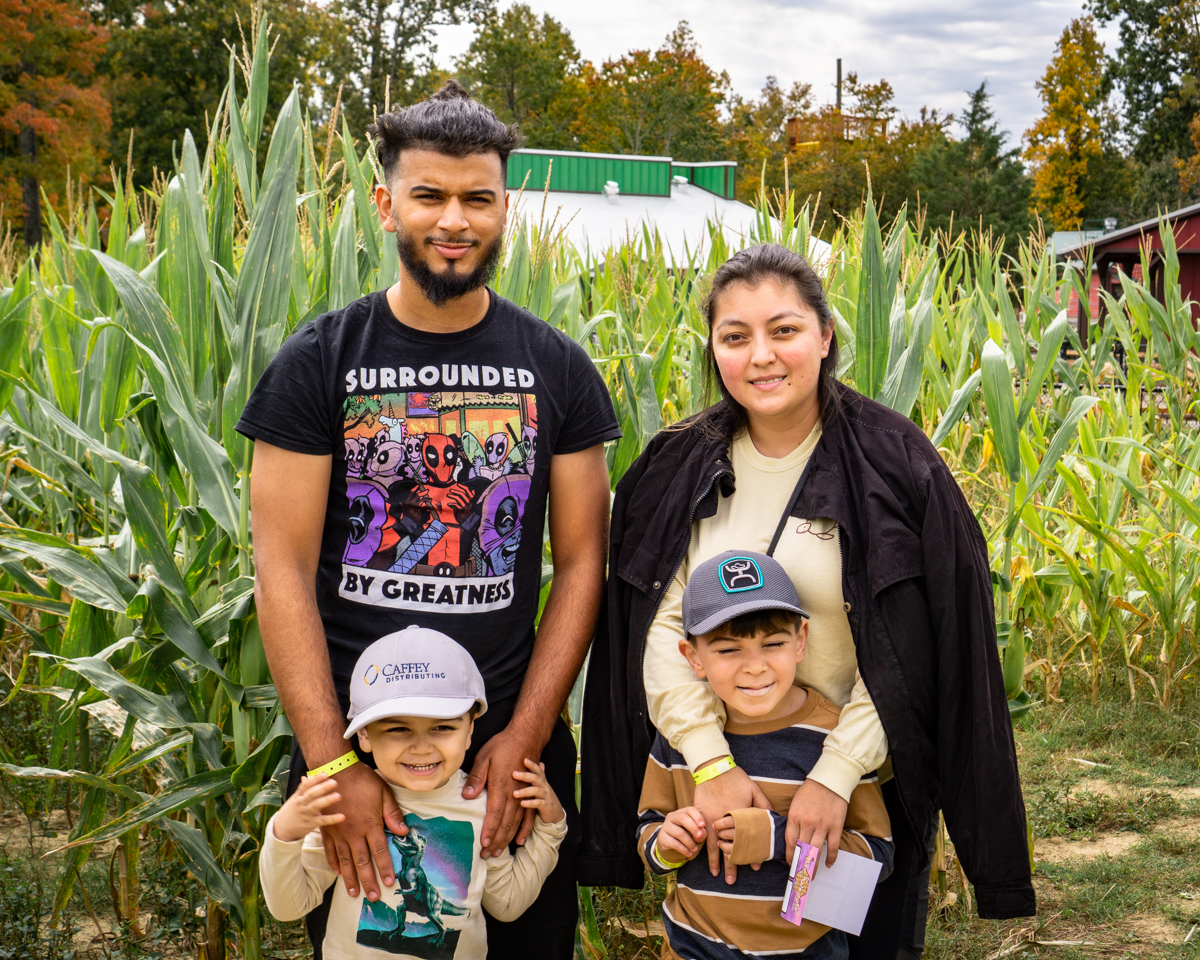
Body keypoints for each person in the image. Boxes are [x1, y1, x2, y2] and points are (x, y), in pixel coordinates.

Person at [240, 80, 621, 960]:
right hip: (359, 749)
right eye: (430, 195)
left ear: (503, 209)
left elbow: (583, 563)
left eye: (477, 198)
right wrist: (337, 764)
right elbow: (282, 570)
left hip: (502, 759)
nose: (455, 219)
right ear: (386, 204)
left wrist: (521, 738)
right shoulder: (318, 362)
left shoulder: (556, 367)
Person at [579, 243, 1035, 958]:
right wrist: (710, 765)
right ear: (713, 349)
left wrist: (834, 774)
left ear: (825, 337)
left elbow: (910, 648)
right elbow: (658, 630)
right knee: (726, 940)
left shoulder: (897, 465)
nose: (761, 355)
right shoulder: (674, 464)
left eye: (784, 330)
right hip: (720, 795)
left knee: (835, 943)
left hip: (853, 789)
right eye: (735, 337)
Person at [637, 549, 893, 960]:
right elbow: (649, 826)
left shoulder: (833, 736)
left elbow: (876, 857)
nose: (754, 667)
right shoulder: (682, 738)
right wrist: (666, 844)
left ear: (801, 641)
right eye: (728, 650)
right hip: (691, 946)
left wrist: (776, 839)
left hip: (803, 950)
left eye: (772, 643)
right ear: (692, 658)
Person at [261, 627, 567, 960]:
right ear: (364, 734)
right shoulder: (344, 808)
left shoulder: (482, 806)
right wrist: (285, 832)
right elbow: (289, 906)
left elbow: (508, 902)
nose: (421, 747)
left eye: (442, 727)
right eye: (398, 729)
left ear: (470, 730)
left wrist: (551, 828)